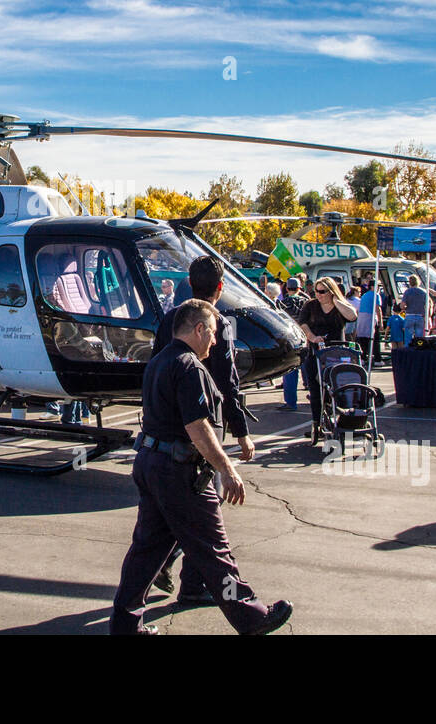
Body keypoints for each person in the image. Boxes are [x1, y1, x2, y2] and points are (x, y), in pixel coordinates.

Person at [110, 299, 292, 635]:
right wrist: (227, 468)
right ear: (199, 329)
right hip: (180, 471)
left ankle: (125, 625)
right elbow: (198, 427)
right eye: (214, 333)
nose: (216, 341)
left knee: (147, 551)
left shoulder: (160, 361)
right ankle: (252, 616)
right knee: (213, 549)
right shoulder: (189, 367)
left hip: (152, 463)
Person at [150, 256, 254, 601]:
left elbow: (156, 364)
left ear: (188, 283)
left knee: (179, 507)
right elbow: (228, 379)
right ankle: (198, 587)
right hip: (202, 424)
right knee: (204, 510)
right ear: (220, 288)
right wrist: (240, 431)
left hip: (166, 426)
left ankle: (171, 572)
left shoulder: (170, 320)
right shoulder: (216, 324)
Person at [296, 277, 357, 444]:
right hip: (316, 351)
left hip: (337, 351)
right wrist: (312, 337)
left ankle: (342, 420)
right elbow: (303, 323)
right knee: (316, 388)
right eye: (316, 291)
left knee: (338, 386)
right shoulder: (311, 305)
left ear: (331, 291)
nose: (319, 295)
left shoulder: (340, 306)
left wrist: (337, 301)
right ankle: (317, 422)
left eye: (322, 291)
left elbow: (352, 317)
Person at [277, 277, 306, 412]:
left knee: (290, 371)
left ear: (287, 288)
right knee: (308, 369)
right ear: (299, 288)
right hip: (305, 337)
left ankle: (290, 401)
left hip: (290, 339)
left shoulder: (283, 303)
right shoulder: (305, 302)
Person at [355, 279, 382, 362]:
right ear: (373, 286)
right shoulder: (376, 295)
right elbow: (378, 309)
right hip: (370, 318)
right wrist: (381, 322)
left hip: (361, 318)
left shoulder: (364, 295)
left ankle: (362, 358)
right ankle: (377, 360)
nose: (378, 288)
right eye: (377, 286)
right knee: (375, 339)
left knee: (362, 339)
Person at [401, 275, 429, 344]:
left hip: (409, 315)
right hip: (420, 316)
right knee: (419, 338)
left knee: (408, 338)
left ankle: (408, 352)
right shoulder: (423, 292)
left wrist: (404, 308)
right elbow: (428, 305)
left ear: (410, 283)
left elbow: (403, 305)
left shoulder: (407, 292)